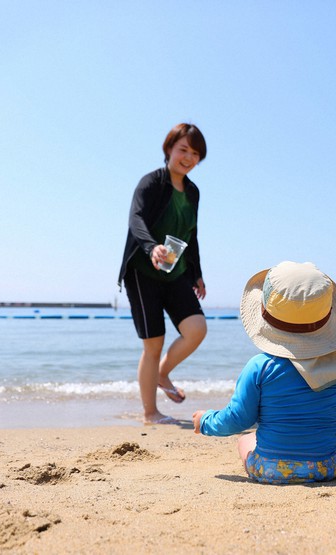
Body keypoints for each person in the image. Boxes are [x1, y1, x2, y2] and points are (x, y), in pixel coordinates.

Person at [192, 261, 336, 484]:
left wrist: (205, 421)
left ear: (263, 311)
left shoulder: (259, 367)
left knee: (245, 440)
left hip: (268, 469)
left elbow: (238, 418)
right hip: (324, 467)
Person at [118, 123, 208, 425]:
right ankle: (151, 413)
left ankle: (162, 373)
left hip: (176, 272)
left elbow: (191, 235)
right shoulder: (152, 182)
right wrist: (151, 247)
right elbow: (136, 218)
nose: (188, 157)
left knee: (196, 329)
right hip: (143, 272)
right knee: (153, 343)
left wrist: (197, 273)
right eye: (183, 149)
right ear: (169, 148)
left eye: (195, 153)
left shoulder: (193, 192)